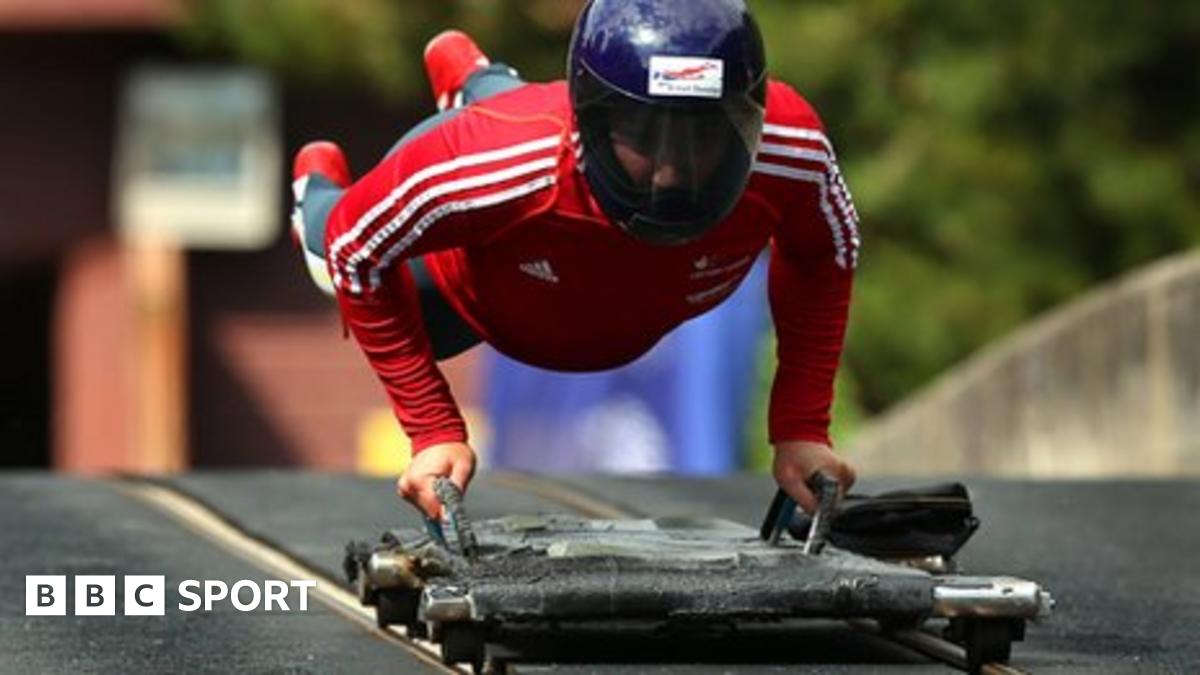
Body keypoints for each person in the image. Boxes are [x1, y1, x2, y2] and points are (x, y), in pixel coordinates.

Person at [291, 0, 861, 520]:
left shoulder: (792, 148)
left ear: (749, 120)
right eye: (645, 140)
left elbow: (827, 254)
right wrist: (432, 427)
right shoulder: (496, 164)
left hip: (530, 169)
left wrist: (802, 428)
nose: (671, 173)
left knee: (509, 115)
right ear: (588, 121)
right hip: (466, 290)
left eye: (703, 139)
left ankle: (477, 78)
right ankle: (314, 184)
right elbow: (353, 249)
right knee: (328, 257)